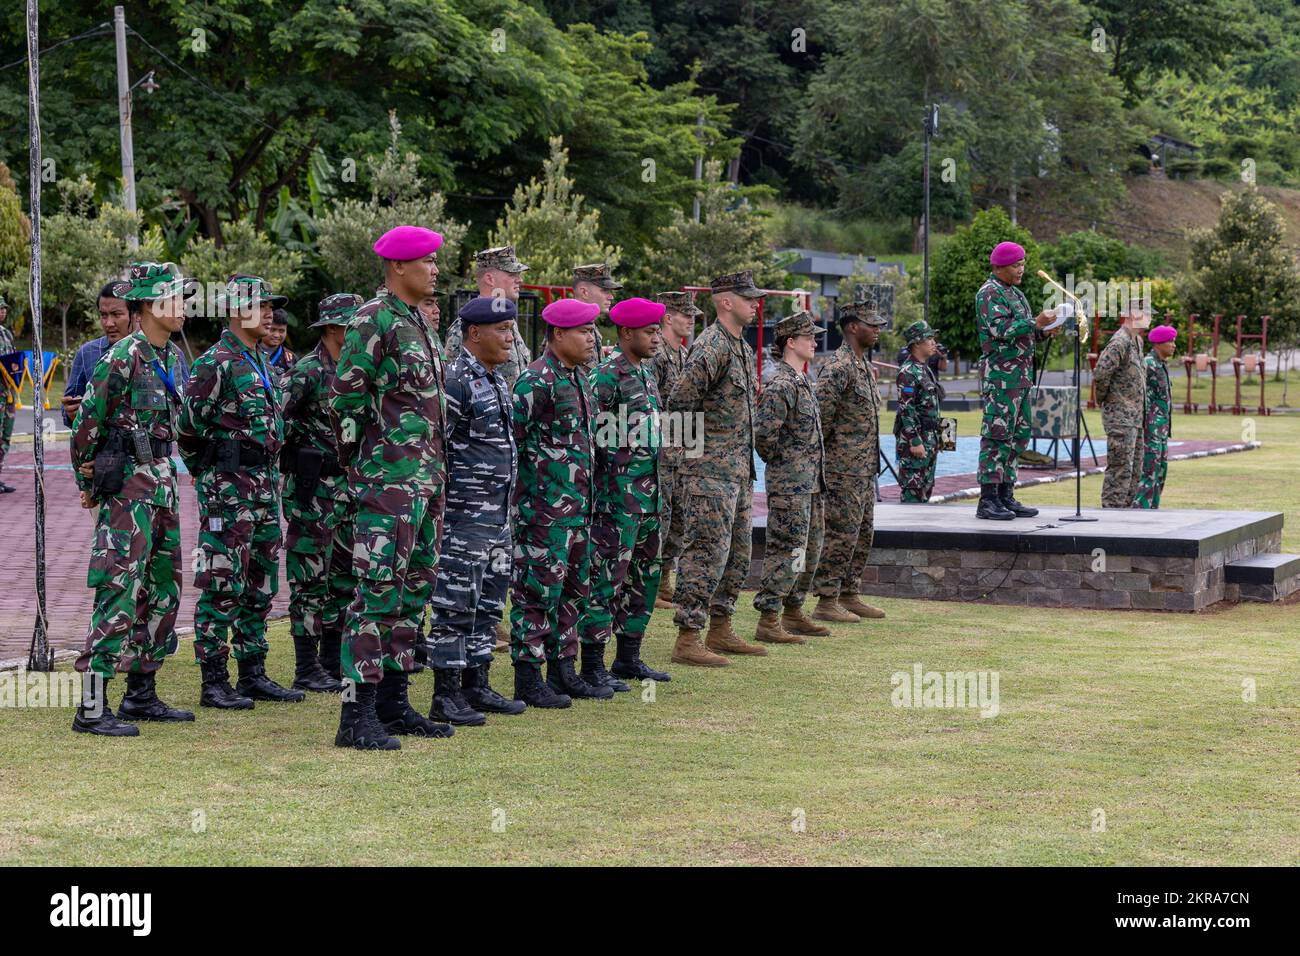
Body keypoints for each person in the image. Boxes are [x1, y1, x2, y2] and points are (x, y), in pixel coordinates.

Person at [329, 225, 454, 749]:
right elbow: (345, 403)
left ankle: (394, 703)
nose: (435, 269)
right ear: (399, 266)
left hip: (425, 482)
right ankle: (355, 716)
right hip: (388, 484)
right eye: (427, 261)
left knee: (413, 592)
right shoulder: (373, 319)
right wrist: (364, 472)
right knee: (376, 593)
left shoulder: (417, 323)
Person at [69, 262, 193, 735]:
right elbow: (86, 426)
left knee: (164, 589)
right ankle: (92, 707)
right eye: (175, 298)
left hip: (162, 485)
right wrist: (88, 484)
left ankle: (141, 691)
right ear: (150, 306)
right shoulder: (123, 356)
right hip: (126, 494)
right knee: (117, 589)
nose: (183, 307)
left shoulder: (169, 358)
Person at [179, 274, 303, 709]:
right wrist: (214, 474)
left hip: (264, 490)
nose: (268, 312)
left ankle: (253, 673)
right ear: (234, 309)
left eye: (271, 304)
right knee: (220, 581)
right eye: (259, 304)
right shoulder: (215, 362)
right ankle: (214, 680)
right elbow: (189, 431)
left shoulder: (260, 361)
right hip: (228, 492)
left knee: (261, 582)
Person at [423, 296, 527, 723]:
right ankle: (445, 695)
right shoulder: (456, 380)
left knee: (488, 603)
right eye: (502, 330)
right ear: (473, 334)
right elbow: (436, 447)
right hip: (465, 517)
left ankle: (477, 684)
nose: (510, 338)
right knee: (455, 603)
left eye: (511, 329)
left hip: (498, 518)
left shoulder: (496, 380)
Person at [509, 297, 610, 705]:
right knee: (537, 593)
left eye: (592, 331)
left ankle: (563, 670)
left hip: (578, 511)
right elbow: (511, 443)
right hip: (542, 513)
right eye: (584, 331)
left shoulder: (580, 378)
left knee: (573, 591)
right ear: (558, 334)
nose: (592, 339)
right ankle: (528, 677)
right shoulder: (536, 381)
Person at [666, 270, 766, 666]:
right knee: (705, 552)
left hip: (738, 471)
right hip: (709, 474)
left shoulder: (738, 345)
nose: (755, 303)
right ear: (725, 301)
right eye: (747, 297)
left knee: (738, 554)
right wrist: (691, 461)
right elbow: (679, 403)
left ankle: (721, 629)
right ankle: (688, 637)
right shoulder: (711, 346)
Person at [581, 297, 672, 688]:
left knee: (644, 577)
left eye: (658, 331)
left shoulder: (645, 374)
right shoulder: (605, 376)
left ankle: (629, 657)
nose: (657, 339)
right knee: (606, 580)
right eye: (650, 332)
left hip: (648, 497)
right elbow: (589, 437)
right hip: (615, 499)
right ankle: (592, 664)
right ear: (626, 332)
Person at [279, 293, 362, 695]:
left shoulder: (358, 370)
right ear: (332, 328)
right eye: (352, 326)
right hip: (312, 493)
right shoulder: (307, 372)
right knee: (310, 579)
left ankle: (331, 659)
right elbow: (278, 426)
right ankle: (306, 666)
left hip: (348, 491)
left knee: (344, 579)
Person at [752, 311, 828, 646]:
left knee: (808, 550)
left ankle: (794, 610)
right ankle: (769, 617)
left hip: (810, 483)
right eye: (808, 336)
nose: (815, 341)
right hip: (790, 486)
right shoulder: (781, 385)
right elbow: (764, 436)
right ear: (790, 342)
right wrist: (786, 466)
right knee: (787, 549)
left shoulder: (802, 381)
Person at [811, 302, 888, 625]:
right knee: (841, 534)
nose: (878, 329)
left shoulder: (862, 366)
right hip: (842, 469)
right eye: (872, 324)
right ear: (853, 327)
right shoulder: (838, 367)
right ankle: (826, 598)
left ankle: (849, 592)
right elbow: (821, 420)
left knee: (862, 533)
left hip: (863, 468)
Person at [974, 241, 1058, 520]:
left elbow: (1025, 334)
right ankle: (987, 500)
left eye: (1023, 264)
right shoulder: (989, 294)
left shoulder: (1017, 295)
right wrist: (1035, 322)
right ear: (999, 267)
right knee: (996, 436)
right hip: (1001, 378)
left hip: (1020, 378)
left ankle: (1005, 495)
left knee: (1018, 437)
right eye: (1016, 265)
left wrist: (1045, 332)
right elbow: (1000, 329)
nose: (1021, 269)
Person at [648, 291, 700, 610]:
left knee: (678, 517)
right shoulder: (657, 356)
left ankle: (665, 577)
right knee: (661, 517)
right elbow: (651, 407)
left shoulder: (681, 355)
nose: (691, 320)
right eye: (686, 315)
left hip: (680, 451)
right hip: (662, 452)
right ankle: (651, 584)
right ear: (668, 318)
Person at [441, 245, 533, 387]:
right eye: (512, 274)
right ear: (490, 279)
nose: (519, 280)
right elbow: (452, 382)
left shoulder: (509, 322)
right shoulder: (466, 327)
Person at [1093, 306, 1149, 508]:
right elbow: (1101, 372)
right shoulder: (1120, 341)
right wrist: (1107, 401)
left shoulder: (1137, 341)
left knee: (1134, 469)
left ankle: (1124, 511)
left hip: (1136, 416)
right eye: (1147, 313)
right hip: (1120, 415)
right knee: (1120, 467)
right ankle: (1112, 512)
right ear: (1134, 314)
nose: (1150, 318)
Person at [894, 320, 945, 503]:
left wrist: (943, 439)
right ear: (916, 343)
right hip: (916, 442)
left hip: (929, 439)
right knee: (913, 495)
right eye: (929, 338)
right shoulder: (908, 371)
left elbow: (932, 409)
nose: (934, 343)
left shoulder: (925, 369)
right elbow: (906, 409)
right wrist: (915, 441)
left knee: (926, 491)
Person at [1135, 325, 1176, 509]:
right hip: (1150, 427)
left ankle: (1153, 509)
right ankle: (1140, 510)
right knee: (1149, 470)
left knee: (1160, 471)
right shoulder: (1148, 364)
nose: (1173, 345)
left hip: (1162, 428)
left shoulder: (1161, 364)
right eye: (1170, 341)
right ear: (1159, 344)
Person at [572, 262, 620, 372]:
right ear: (584, 292)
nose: (611, 297)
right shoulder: (568, 328)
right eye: (605, 290)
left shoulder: (589, 325)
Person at [0, 295, 16, 493]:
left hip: (8, 393)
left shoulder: (6, 333)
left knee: (5, 436)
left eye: (4, 308)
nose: (3, 311)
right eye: (0, 308)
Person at [262, 307, 297, 382]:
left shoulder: (291, 359)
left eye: (281, 331)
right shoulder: (248, 352)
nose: (277, 335)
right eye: (272, 330)